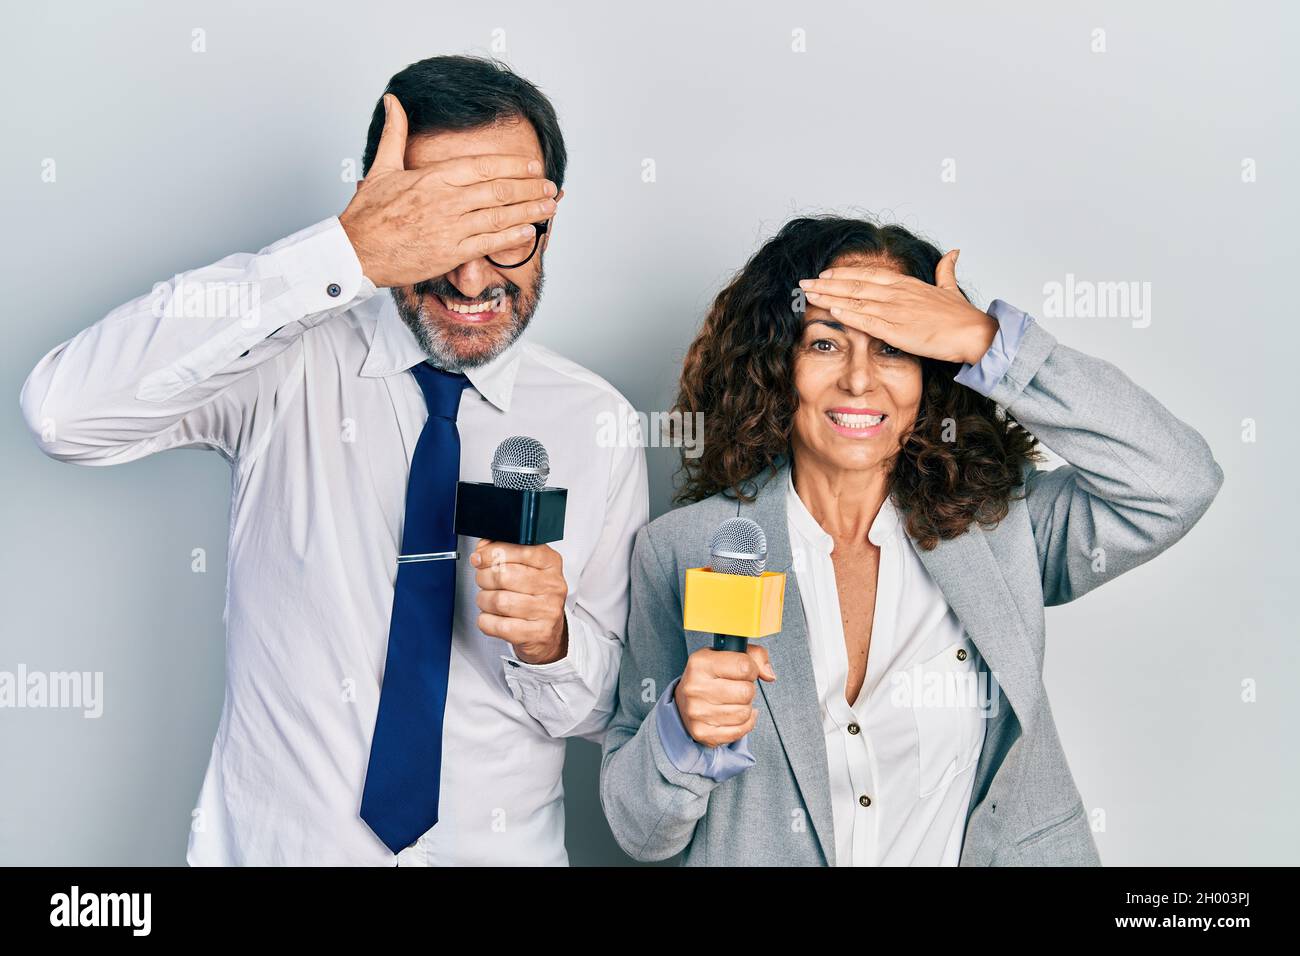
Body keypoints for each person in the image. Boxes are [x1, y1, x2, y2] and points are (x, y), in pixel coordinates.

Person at [20, 55, 648, 866]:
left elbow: (611, 710)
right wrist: (340, 254)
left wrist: (553, 641)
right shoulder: (281, 362)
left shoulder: (598, 422)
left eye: (500, 228)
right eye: (437, 227)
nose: (468, 275)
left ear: (549, 223)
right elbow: (64, 414)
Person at [599, 216, 1222, 865]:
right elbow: (642, 832)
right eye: (825, 344)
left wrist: (990, 342)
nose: (861, 380)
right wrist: (683, 731)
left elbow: (1176, 481)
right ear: (775, 365)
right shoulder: (683, 549)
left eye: (893, 347)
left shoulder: (1000, 529)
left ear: (933, 370)